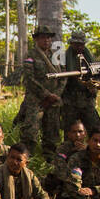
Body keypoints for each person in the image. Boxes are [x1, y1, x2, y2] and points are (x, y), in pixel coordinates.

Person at [18, 25, 65, 157]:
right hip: (36, 100)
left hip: (54, 101)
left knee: (52, 133)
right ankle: (26, 159)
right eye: (43, 38)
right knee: (30, 133)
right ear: (37, 39)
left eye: (49, 38)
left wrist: (56, 95)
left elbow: (64, 77)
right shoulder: (30, 55)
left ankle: (50, 160)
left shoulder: (56, 56)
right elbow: (29, 78)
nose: (47, 40)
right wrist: (46, 95)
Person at [62, 31, 100, 130]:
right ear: (71, 44)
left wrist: (94, 86)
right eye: (77, 45)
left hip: (87, 100)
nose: (80, 47)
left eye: (82, 45)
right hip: (70, 101)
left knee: (95, 128)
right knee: (70, 130)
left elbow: (97, 77)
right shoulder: (64, 58)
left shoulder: (88, 57)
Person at [44, 119, 88, 195]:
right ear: (69, 134)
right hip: (67, 180)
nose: (77, 135)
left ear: (85, 134)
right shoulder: (63, 148)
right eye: (74, 132)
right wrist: (72, 152)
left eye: (80, 131)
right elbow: (60, 169)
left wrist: (85, 152)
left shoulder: (90, 148)